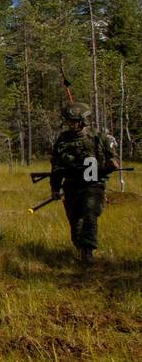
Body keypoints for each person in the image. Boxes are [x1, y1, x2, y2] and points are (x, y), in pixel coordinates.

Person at [50, 101, 119, 265]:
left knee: (90, 214)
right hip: (72, 185)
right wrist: (55, 187)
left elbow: (113, 160)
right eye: (68, 121)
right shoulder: (62, 140)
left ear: (82, 121)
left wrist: (109, 165)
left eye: (73, 121)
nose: (70, 124)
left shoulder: (98, 137)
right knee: (75, 220)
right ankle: (80, 248)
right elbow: (56, 167)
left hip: (93, 185)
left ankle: (88, 252)